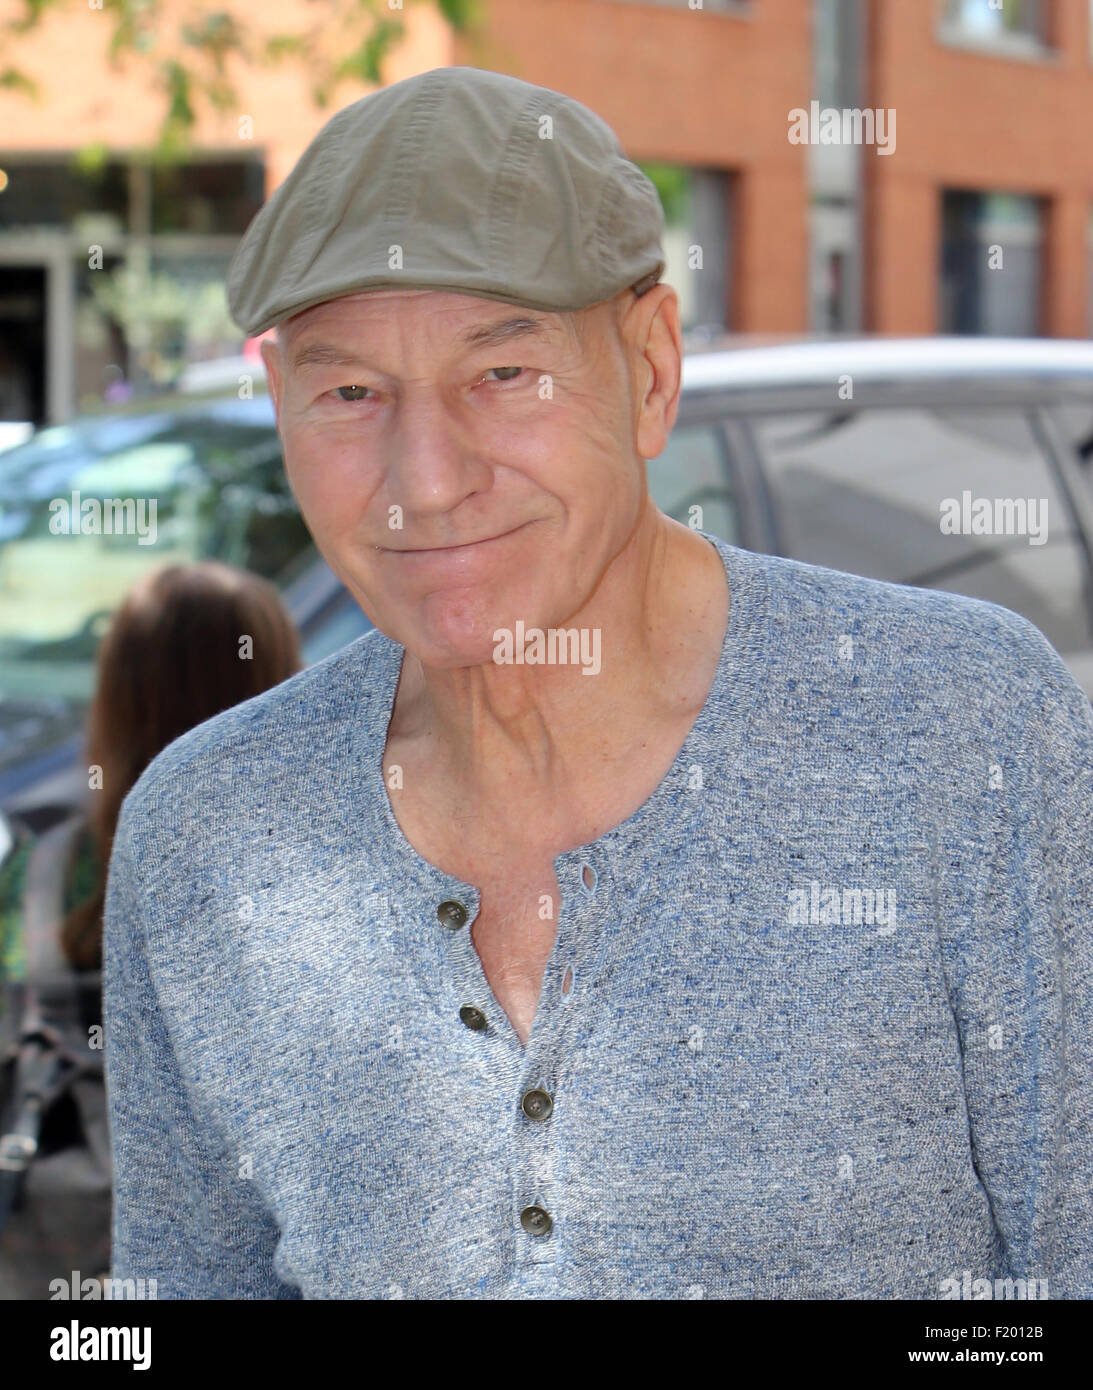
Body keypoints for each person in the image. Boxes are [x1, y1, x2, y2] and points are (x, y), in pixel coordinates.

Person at [104, 66, 1093, 1300]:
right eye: (350, 391)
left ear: (650, 367)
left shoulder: (963, 728)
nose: (426, 474)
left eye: (503, 374)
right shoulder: (208, 836)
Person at [0, 561, 301, 1298]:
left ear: (115, 700)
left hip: (63, 1262)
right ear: (276, 684)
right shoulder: (310, 868)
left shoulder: (40, 871)